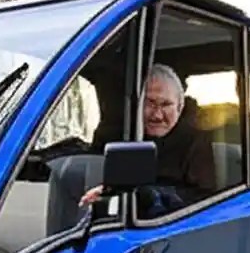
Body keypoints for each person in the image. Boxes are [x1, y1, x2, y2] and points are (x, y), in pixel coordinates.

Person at [80, 63, 217, 216]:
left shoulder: (195, 141)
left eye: (166, 105)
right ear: (137, 105)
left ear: (180, 107)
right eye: (150, 103)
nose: (157, 115)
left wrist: (152, 195)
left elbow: (203, 200)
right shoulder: (121, 135)